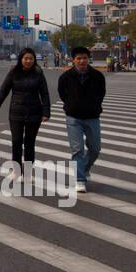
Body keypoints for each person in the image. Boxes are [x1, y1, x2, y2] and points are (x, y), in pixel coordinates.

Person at [0, 48, 50, 186]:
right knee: (16, 141)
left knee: (29, 143)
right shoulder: (14, 71)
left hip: (34, 111)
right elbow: (3, 90)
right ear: (21, 59)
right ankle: (16, 170)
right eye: (26, 58)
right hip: (16, 111)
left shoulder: (38, 73)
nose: (28, 61)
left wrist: (46, 112)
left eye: (31, 58)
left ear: (34, 59)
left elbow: (45, 93)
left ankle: (27, 173)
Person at [57, 44, 105, 194]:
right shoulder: (65, 77)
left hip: (92, 117)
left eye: (84, 58)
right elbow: (62, 94)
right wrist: (71, 105)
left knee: (95, 149)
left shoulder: (97, 76)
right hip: (73, 117)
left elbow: (101, 94)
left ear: (88, 59)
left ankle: (84, 169)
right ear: (73, 59)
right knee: (77, 150)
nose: (82, 61)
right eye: (78, 58)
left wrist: (93, 105)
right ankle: (79, 180)